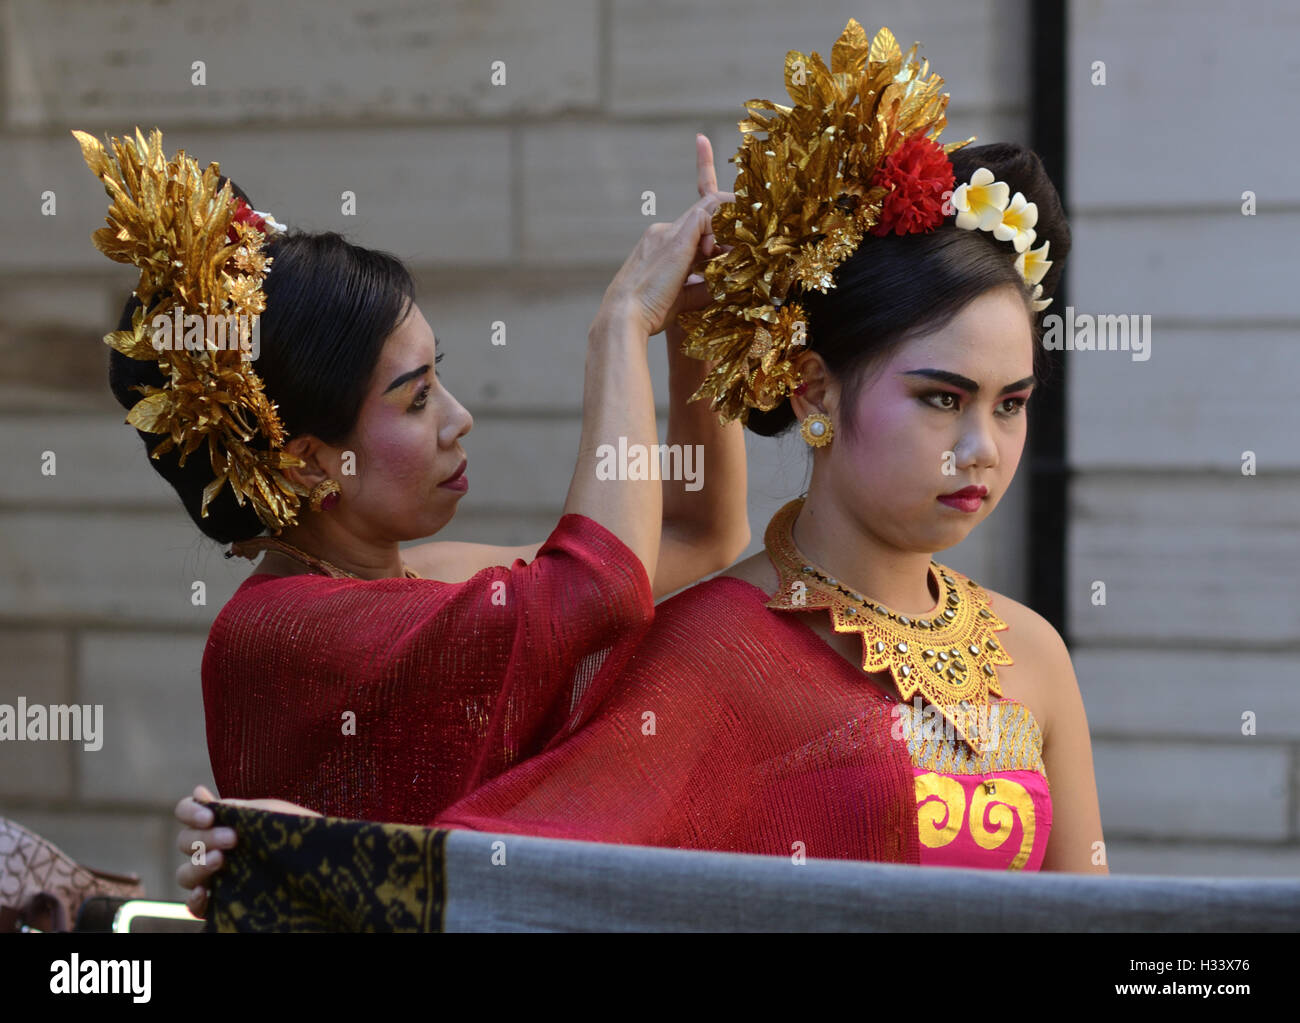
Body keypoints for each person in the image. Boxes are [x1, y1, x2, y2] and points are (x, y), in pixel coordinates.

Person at [176, 22, 1108, 929]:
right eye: (944, 398)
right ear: (814, 388)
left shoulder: (1033, 656)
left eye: (1013, 403)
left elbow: (1110, 930)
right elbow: (532, 865)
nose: (983, 445)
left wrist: (693, 333)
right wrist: (329, 860)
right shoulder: (707, 654)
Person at [74, 126, 747, 866]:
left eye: (439, 380)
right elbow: (601, 588)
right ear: (307, 463)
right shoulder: (275, 634)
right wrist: (619, 328)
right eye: (417, 398)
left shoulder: (421, 576)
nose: (460, 418)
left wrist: (691, 324)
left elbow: (699, 530)